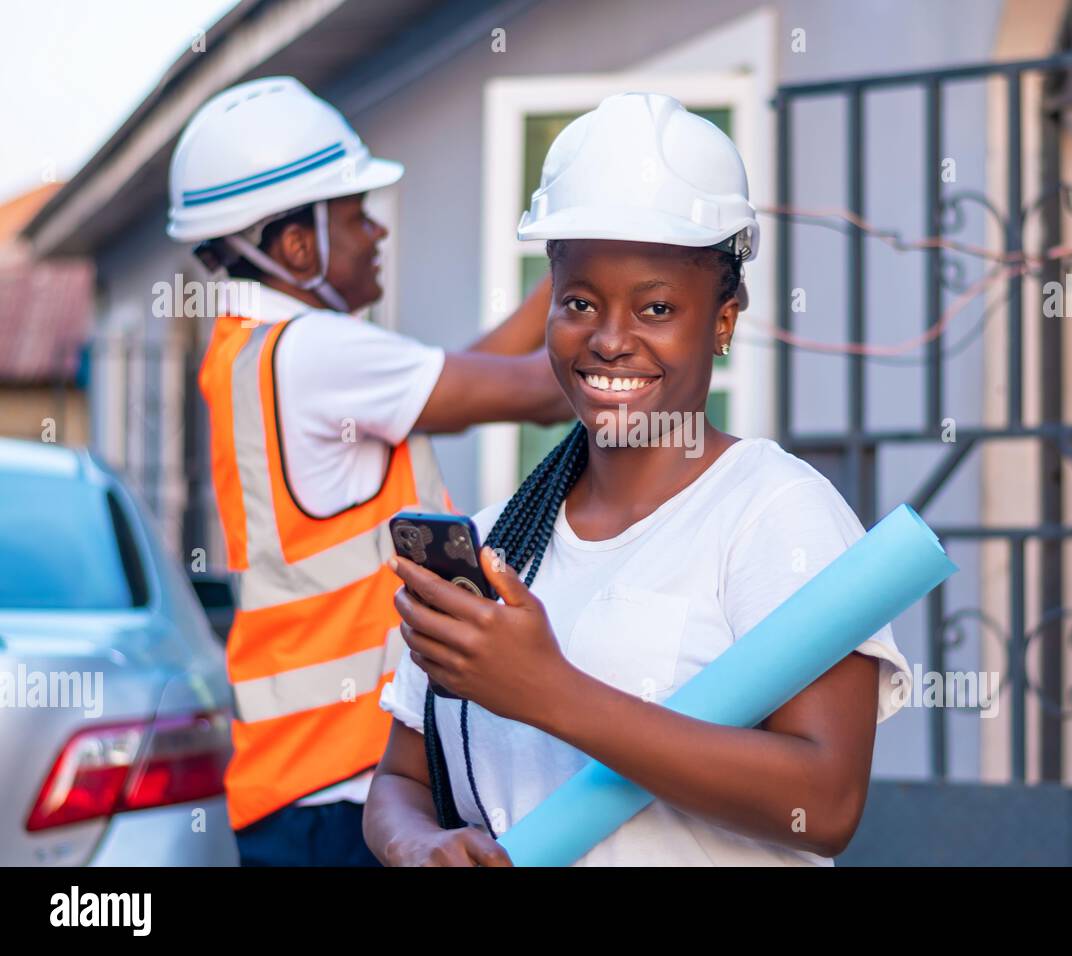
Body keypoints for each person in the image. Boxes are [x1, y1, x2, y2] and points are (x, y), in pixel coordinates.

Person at [363, 92, 913, 867]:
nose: (610, 340)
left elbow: (822, 805)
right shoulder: (497, 544)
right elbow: (399, 779)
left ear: (722, 321)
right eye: (579, 303)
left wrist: (550, 692)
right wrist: (420, 846)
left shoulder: (773, 513)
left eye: (656, 307)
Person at [169, 76, 570, 865]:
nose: (376, 232)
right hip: (348, 787)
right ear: (296, 246)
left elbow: (471, 369)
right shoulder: (319, 352)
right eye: (355, 216)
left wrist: (573, 268)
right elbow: (539, 391)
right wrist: (619, 271)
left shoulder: (256, 348)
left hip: (300, 785)